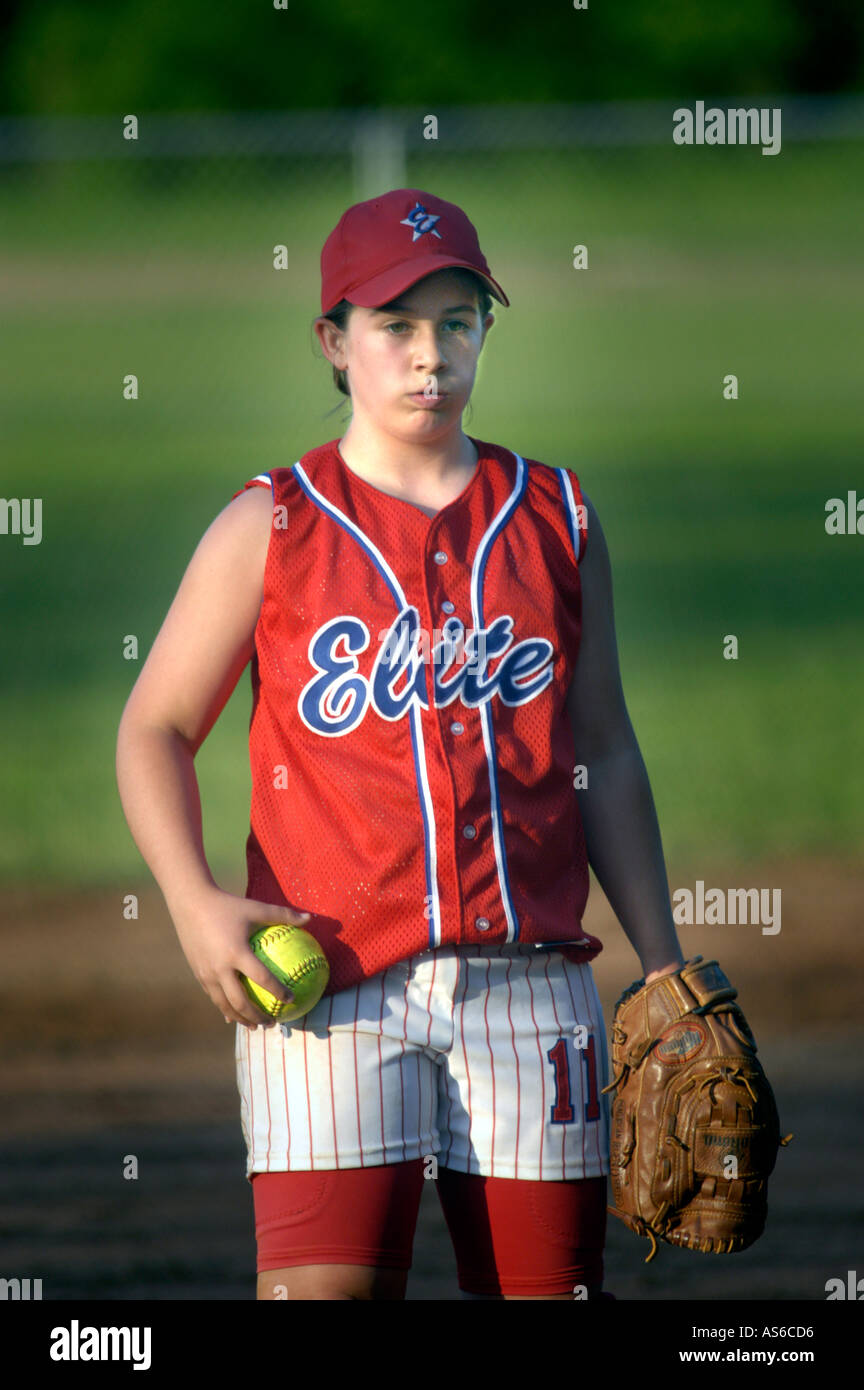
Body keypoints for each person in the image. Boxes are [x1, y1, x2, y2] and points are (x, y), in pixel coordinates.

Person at [116, 187, 685, 1302]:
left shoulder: (557, 516)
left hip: (530, 985)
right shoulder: (271, 524)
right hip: (328, 989)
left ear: (485, 330)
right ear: (334, 341)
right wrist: (190, 901)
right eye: (396, 325)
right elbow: (155, 726)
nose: (431, 355)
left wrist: (662, 962)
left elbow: (603, 748)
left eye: (458, 322)